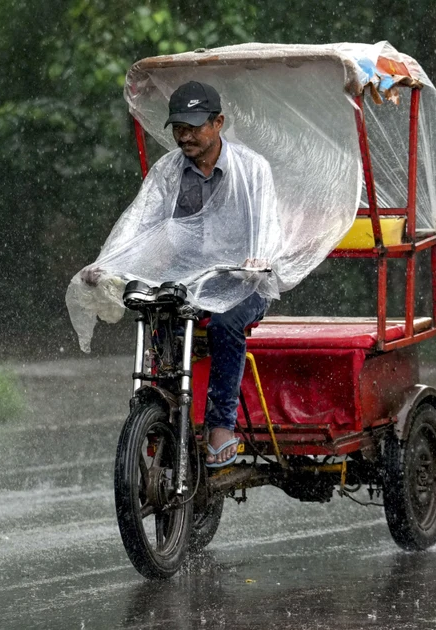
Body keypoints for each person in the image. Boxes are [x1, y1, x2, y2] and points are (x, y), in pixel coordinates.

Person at [84, 81, 276, 468]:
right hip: (187, 279)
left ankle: (221, 424)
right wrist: (109, 261)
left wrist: (259, 258)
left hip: (243, 280)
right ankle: (166, 405)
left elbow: (268, 225)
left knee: (224, 325)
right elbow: (140, 223)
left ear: (218, 122)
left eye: (194, 126)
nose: (185, 136)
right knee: (154, 312)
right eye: (178, 128)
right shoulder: (169, 171)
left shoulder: (251, 169)